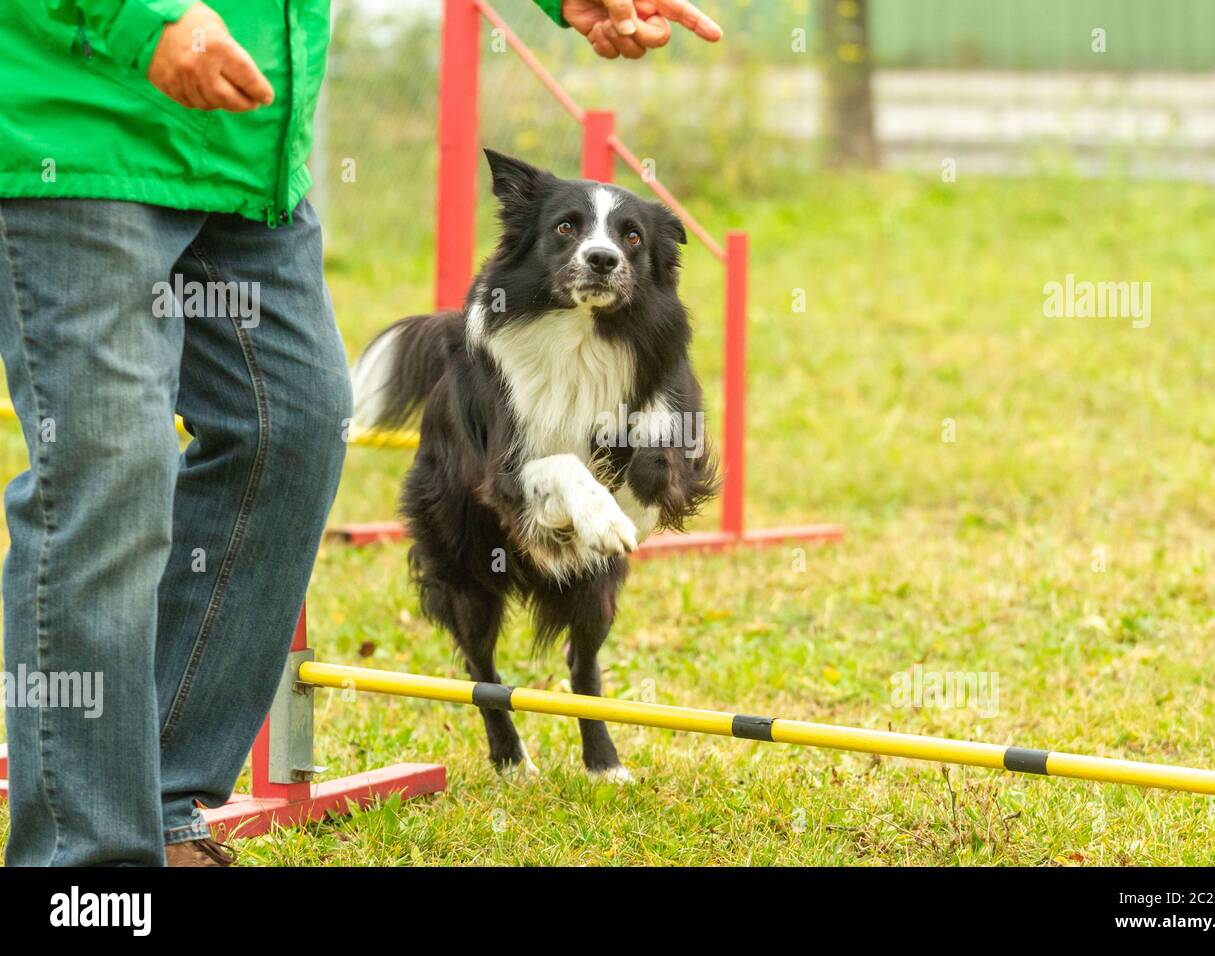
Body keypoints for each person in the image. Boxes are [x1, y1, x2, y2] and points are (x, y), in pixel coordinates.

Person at [0, 0, 720, 868]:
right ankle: (89, 869)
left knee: (296, 433)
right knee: (109, 476)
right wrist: (144, 18)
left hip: (247, 152)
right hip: (86, 136)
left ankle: (164, 799)